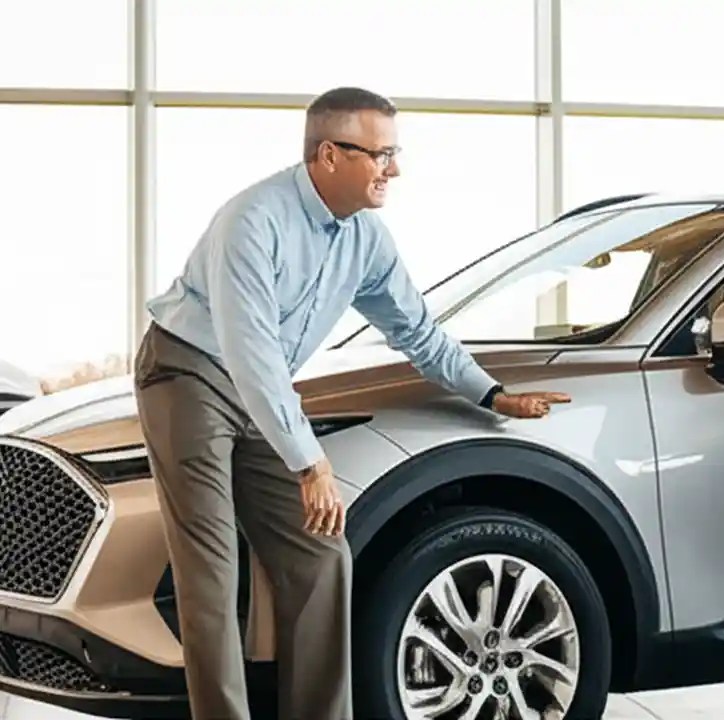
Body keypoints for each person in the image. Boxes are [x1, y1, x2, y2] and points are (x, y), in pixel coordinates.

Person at [133, 86, 570, 720]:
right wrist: (310, 465)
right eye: (381, 154)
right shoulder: (252, 222)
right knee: (212, 570)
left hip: (263, 388)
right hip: (188, 372)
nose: (395, 169)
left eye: (395, 152)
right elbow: (250, 351)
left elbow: (415, 329)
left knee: (321, 554)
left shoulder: (367, 237)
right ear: (329, 155)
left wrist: (493, 392)